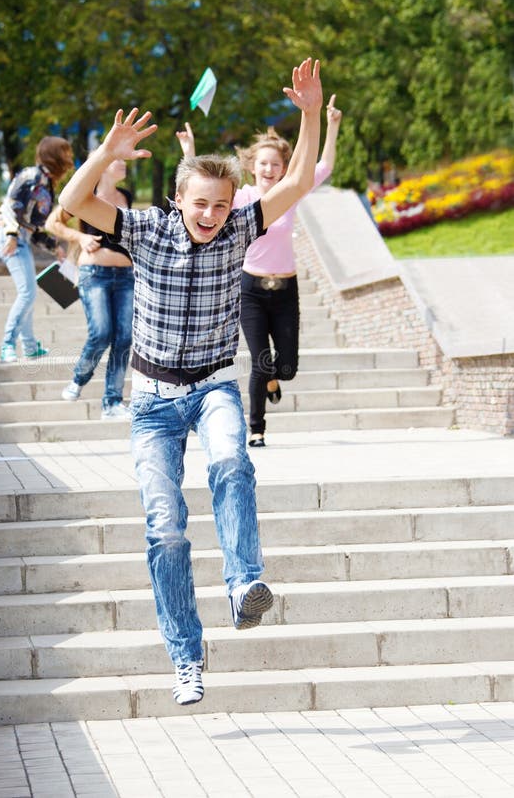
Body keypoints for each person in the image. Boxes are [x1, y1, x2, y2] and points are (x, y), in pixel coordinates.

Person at [57, 58, 323, 706]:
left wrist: (310, 114)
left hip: (211, 387)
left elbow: (296, 183)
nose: (210, 215)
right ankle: (186, 654)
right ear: (178, 200)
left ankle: (243, 583)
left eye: (220, 205)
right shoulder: (145, 228)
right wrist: (105, 152)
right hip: (150, 400)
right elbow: (72, 204)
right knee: (165, 527)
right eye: (199, 204)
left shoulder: (239, 227)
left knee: (233, 461)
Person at [178, 95, 342, 447]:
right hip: (250, 287)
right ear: (254, 166)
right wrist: (189, 151)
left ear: (284, 169)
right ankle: (257, 429)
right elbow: (200, 185)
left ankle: (273, 381)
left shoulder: (290, 194)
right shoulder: (243, 197)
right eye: (264, 164)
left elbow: (323, 166)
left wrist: (332, 125)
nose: (269, 170)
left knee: (286, 369)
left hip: (285, 288)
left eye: (276, 165)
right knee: (260, 360)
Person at [45, 158, 135, 419]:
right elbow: (53, 223)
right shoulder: (86, 194)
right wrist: (80, 237)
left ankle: (112, 403)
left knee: (124, 337)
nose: (124, 163)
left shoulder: (125, 195)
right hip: (94, 273)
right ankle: (78, 379)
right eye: (118, 159)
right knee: (102, 332)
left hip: (126, 275)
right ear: (103, 163)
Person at [0, 137, 74, 363]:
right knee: (27, 292)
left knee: (28, 292)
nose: (69, 157)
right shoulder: (31, 177)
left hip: (21, 239)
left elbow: (34, 226)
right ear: (53, 155)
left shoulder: (47, 183)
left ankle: (28, 346)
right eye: (65, 153)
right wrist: (11, 235)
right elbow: (11, 207)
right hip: (9, 237)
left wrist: (54, 247)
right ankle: (7, 344)